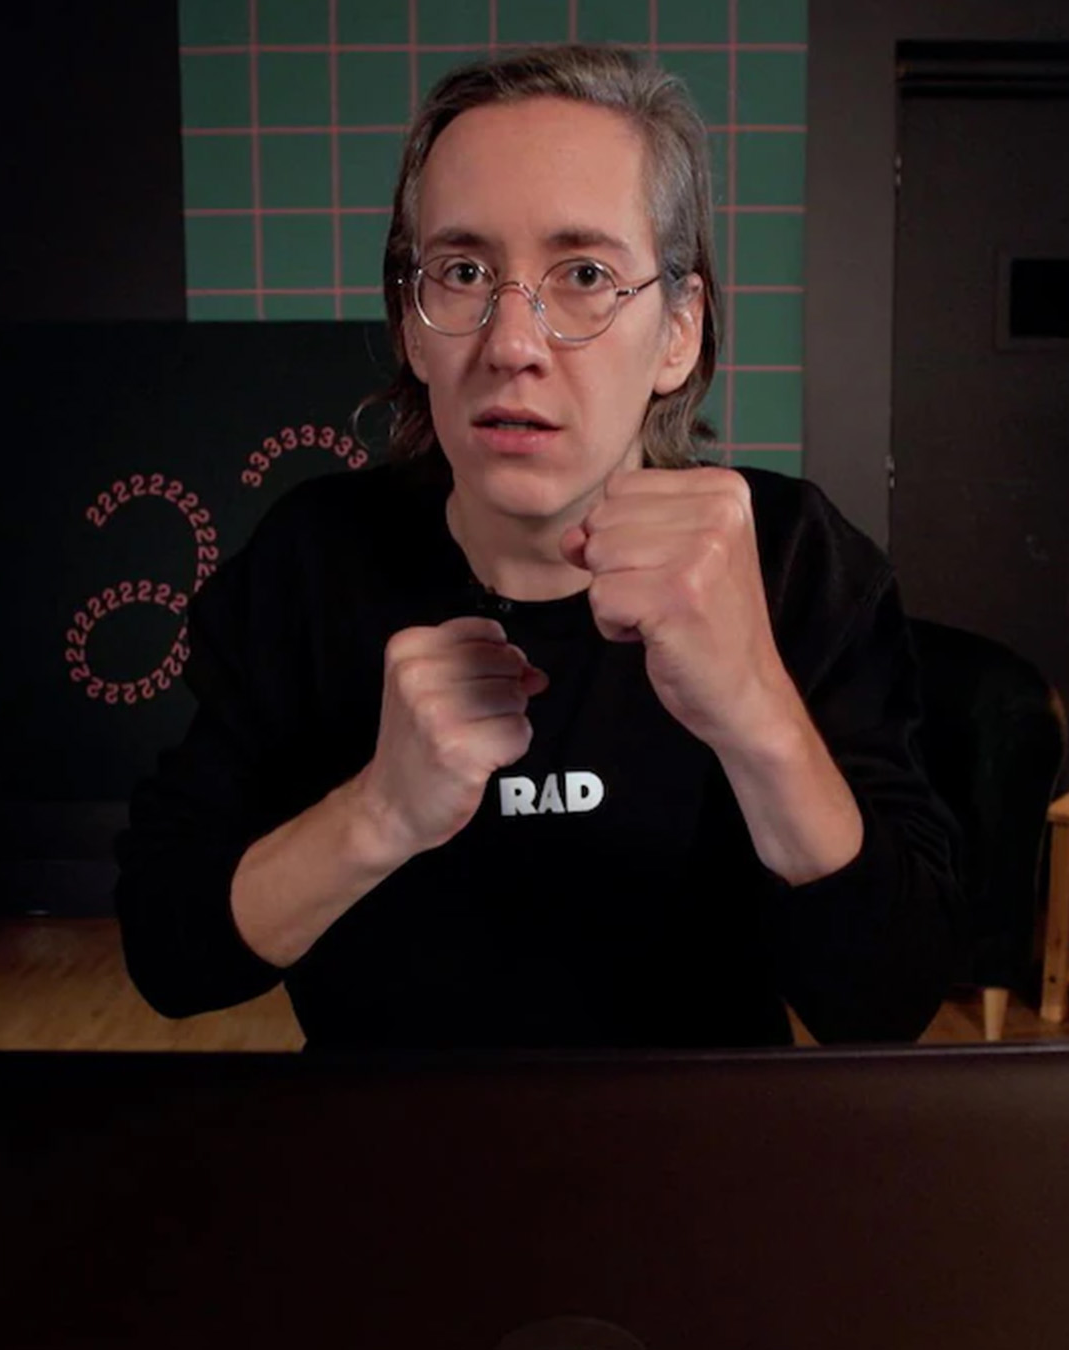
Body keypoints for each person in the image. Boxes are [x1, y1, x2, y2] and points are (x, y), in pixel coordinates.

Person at [114, 46, 961, 1050]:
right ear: (413, 329)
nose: (512, 344)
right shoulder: (313, 561)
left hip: (704, 1140)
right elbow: (170, 955)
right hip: (387, 1138)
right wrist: (380, 814)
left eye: (585, 276)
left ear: (679, 329)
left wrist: (755, 716)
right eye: (464, 272)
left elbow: (887, 1002)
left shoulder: (792, 559)